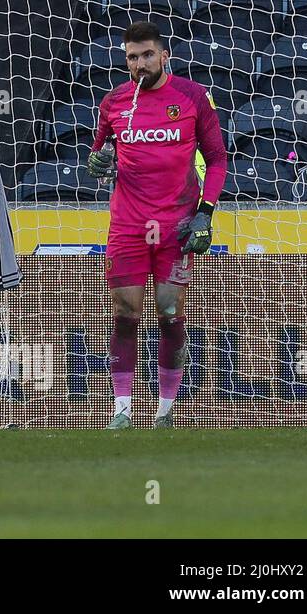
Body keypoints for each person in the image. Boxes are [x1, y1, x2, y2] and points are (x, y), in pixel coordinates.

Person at [87, 21, 228, 429]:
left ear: (164, 55)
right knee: (125, 313)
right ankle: (121, 411)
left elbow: (217, 159)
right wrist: (97, 163)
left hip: (177, 222)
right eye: (132, 57)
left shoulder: (193, 96)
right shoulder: (114, 102)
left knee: (170, 312)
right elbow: (100, 156)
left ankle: (165, 411)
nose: (140, 63)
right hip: (128, 222)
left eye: (147, 54)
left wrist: (206, 212)